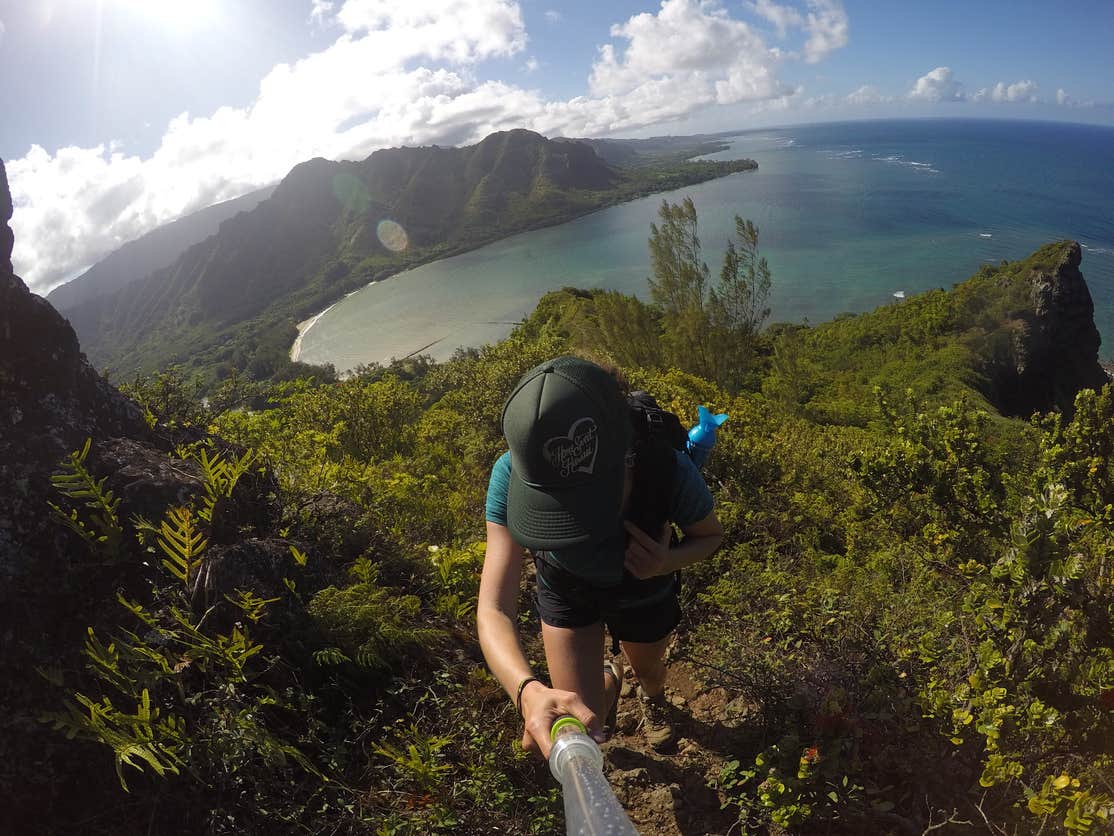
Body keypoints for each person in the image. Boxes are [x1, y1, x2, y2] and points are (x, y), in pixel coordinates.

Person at [477, 356, 724, 759]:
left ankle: (651, 696)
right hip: (567, 589)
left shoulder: (665, 468)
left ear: (626, 452)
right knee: (584, 723)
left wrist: (666, 562)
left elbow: (710, 537)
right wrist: (528, 690)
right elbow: (493, 607)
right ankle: (611, 678)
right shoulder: (515, 473)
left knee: (649, 672)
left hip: (644, 587)